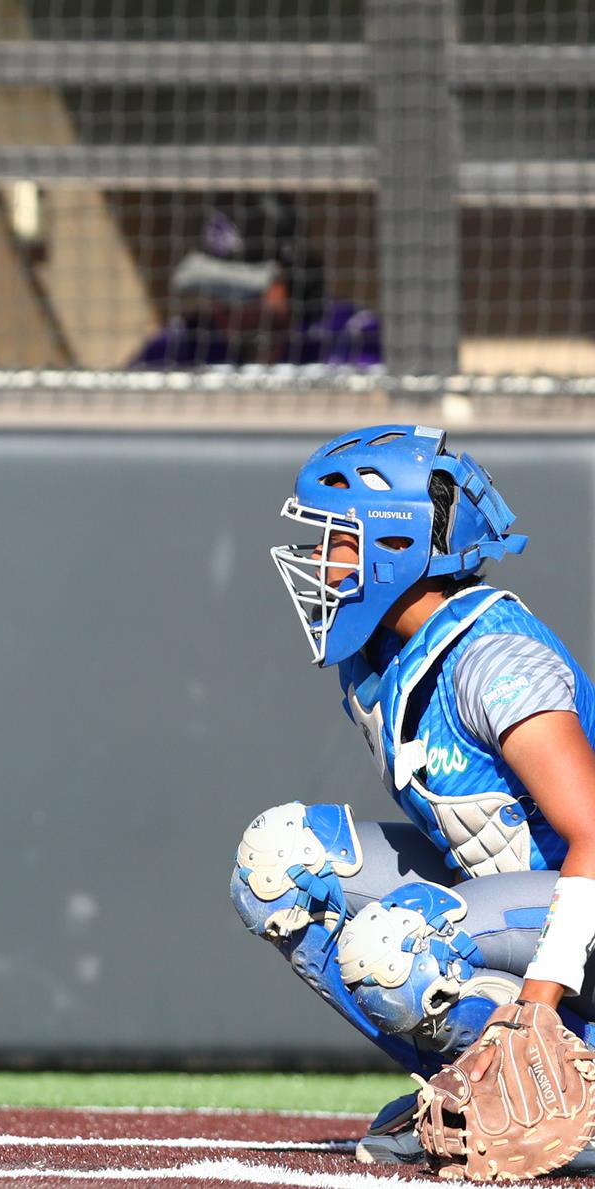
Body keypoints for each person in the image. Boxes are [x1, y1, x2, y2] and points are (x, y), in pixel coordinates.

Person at [234, 425, 595, 1165]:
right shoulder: (382, 652)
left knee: (399, 944)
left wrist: (539, 1003)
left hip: (577, 914)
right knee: (278, 865)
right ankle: (467, 1087)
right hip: (516, 903)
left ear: (396, 546)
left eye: (339, 538)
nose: (320, 560)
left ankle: (564, 1091)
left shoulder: (495, 660)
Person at [133, 193, 379, 368]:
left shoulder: (353, 336)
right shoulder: (184, 342)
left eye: (244, 294)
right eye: (216, 292)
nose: (229, 310)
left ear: (296, 283)